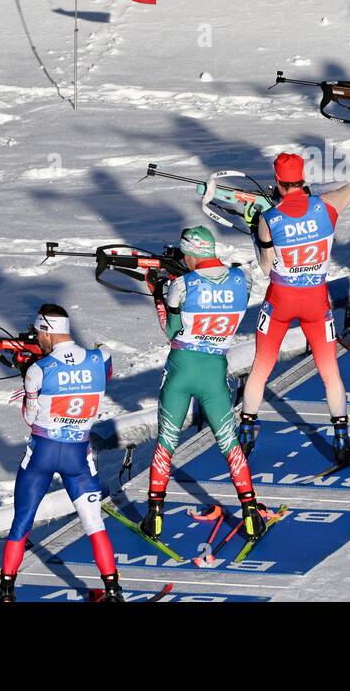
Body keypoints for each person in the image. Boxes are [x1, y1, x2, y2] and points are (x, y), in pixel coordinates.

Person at [140, 227, 270, 541]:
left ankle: (154, 516)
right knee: (230, 445)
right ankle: (250, 513)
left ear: (191, 253)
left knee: (166, 444)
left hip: (182, 368)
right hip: (215, 368)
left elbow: (171, 330)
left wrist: (159, 295)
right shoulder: (243, 279)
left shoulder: (182, 285)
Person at [238, 153, 350, 466]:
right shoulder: (327, 206)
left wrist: (257, 231)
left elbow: (266, 268)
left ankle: (246, 430)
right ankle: (342, 438)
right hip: (316, 300)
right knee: (329, 370)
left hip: (281, 298)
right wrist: (314, 191)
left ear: (277, 182)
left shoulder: (270, 218)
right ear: (302, 178)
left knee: (261, 366)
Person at [0, 304, 121, 602]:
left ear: (46, 331)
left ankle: (6, 592)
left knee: (22, 522)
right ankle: (114, 590)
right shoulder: (99, 357)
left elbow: (30, 418)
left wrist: (28, 372)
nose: (37, 340)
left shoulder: (39, 370)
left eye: (39, 334)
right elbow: (106, 367)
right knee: (94, 524)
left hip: (43, 452)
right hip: (78, 455)